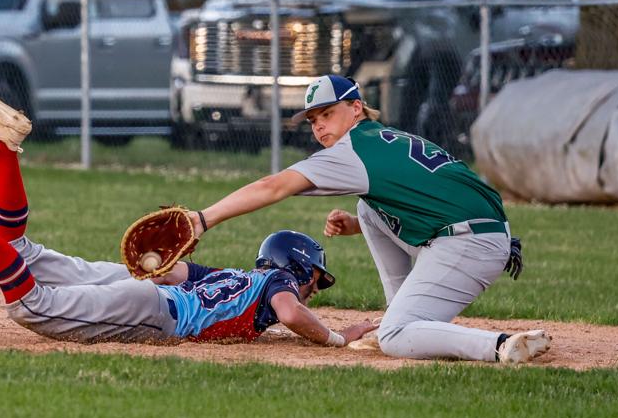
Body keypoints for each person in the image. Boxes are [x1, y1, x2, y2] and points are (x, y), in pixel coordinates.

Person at [0, 86, 376, 346]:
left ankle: (4, 145)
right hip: (157, 310)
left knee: (21, 253)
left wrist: (152, 258)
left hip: (148, 288)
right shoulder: (278, 289)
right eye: (316, 278)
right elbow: (292, 312)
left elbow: (174, 269)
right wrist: (334, 336)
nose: (314, 288)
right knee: (30, 305)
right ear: (298, 268)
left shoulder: (233, 277)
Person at [187, 74, 551, 364]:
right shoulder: (382, 139)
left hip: (466, 243)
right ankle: (400, 316)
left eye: (328, 113)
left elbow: (272, 186)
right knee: (366, 207)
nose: (319, 126)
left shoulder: (352, 151)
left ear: (357, 108)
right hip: (476, 231)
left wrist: (204, 219)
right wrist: (360, 224)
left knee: (395, 337)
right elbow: (429, 190)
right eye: (313, 119)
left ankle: (500, 344)